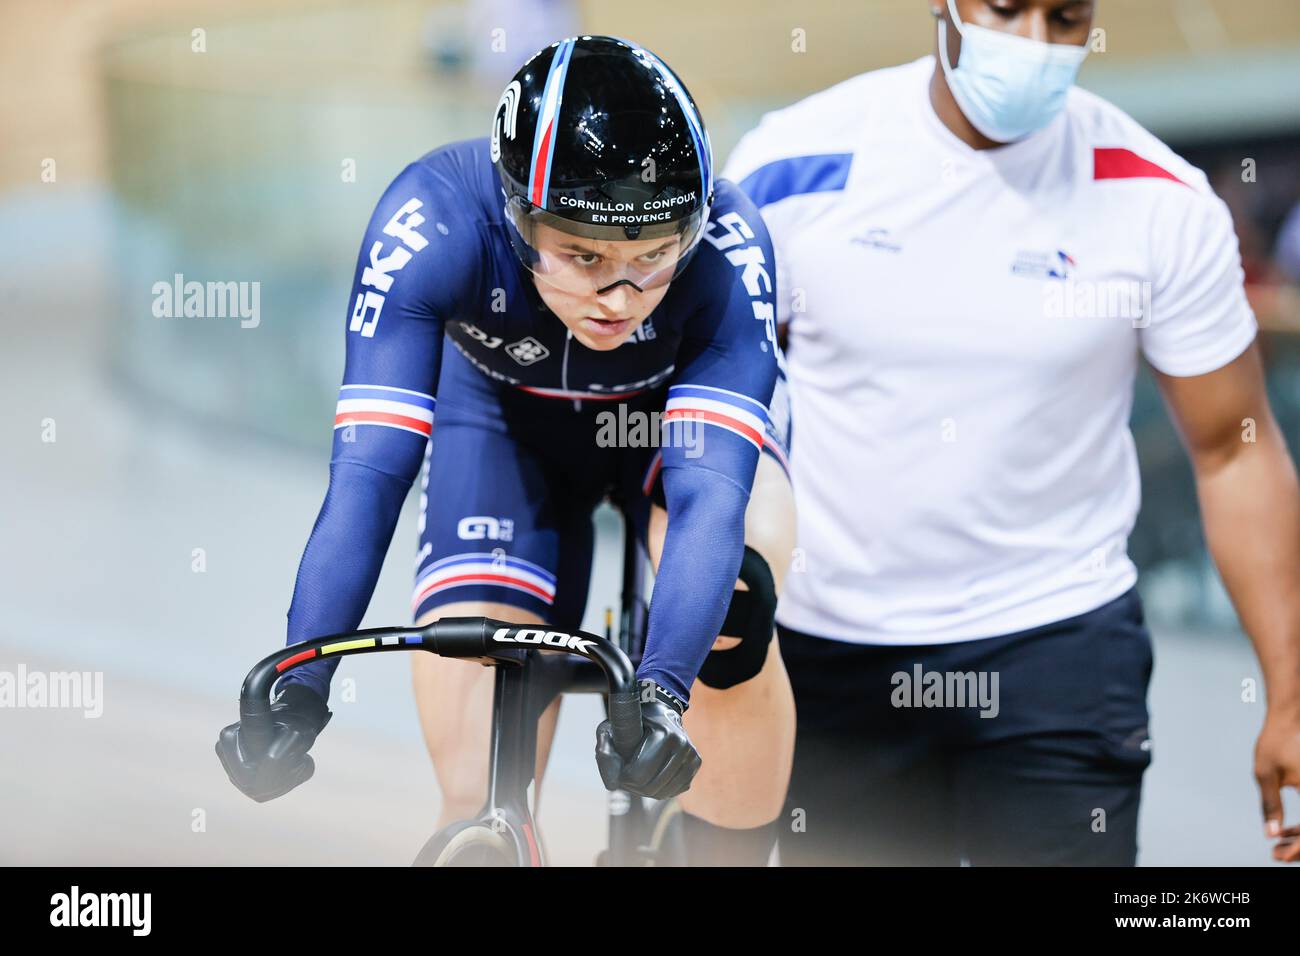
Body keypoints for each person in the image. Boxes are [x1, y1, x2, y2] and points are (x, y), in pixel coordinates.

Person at [723, 0, 1300, 865]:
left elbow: (1234, 450)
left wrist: (1290, 690)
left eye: (1065, 17)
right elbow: (721, 426)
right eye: (1004, 7)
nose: (1032, 43)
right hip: (836, 653)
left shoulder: (1158, 199)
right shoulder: (788, 167)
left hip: (1056, 651)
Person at [220, 35, 796, 866]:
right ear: (515, 214)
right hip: (503, 425)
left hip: (666, 430)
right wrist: (300, 685)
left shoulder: (731, 245)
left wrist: (662, 695)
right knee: (479, 727)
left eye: (655, 256)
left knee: (733, 608)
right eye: (584, 255)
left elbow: (712, 494)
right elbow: (372, 477)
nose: (621, 295)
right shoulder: (433, 221)